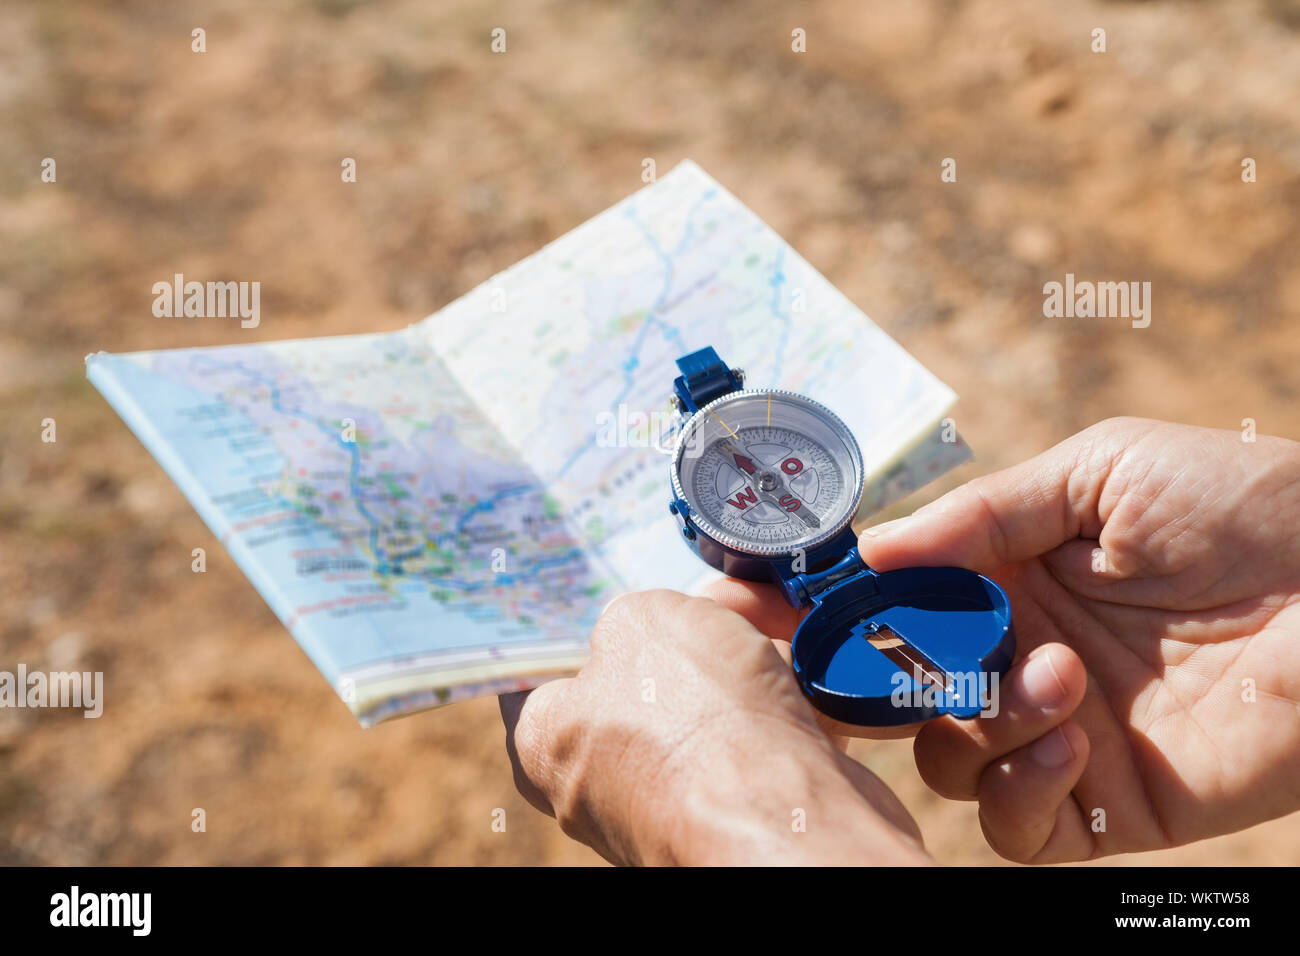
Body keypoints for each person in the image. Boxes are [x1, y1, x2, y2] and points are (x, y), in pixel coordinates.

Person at [500, 417, 1300, 865]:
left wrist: (720, 808)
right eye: (756, 489)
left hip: (912, 614)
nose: (776, 488)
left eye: (779, 474)